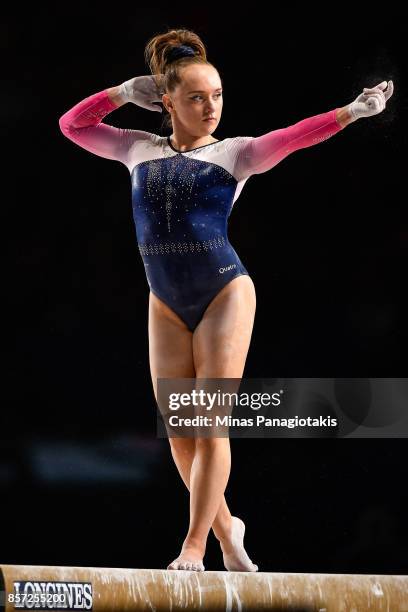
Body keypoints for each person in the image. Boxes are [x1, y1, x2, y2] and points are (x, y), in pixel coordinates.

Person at [58, 28, 394, 572]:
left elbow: (291, 137)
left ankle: (196, 545)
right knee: (179, 435)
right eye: (195, 97)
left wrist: (352, 112)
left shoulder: (234, 154)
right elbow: (72, 126)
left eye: (216, 95)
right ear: (166, 102)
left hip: (224, 292)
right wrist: (121, 92)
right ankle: (229, 530)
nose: (210, 106)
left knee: (210, 422)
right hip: (164, 301)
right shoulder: (135, 148)